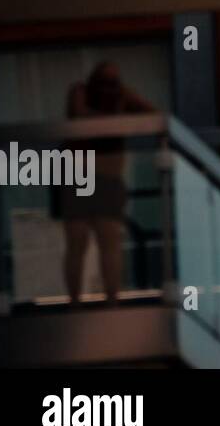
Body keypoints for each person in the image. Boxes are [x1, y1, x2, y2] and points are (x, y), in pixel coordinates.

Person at [61, 62, 154, 305]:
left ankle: (113, 300)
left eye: (112, 84)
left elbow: (153, 114)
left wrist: (124, 98)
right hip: (77, 177)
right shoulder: (79, 91)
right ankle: (74, 302)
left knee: (109, 241)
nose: (107, 89)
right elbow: (79, 114)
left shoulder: (121, 96)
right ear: (92, 81)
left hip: (109, 180)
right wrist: (117, 114)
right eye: (102, 82)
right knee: (77, 240)